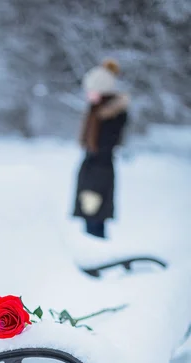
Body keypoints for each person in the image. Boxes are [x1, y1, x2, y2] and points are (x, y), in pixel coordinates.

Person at [73, 59, 129, 239]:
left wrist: (95, 159)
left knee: (95, 214)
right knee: (89, 212)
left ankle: (97, 251)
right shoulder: (95, 110)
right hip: (92, 166)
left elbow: (109, 142)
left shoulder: (113, 113)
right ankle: (91, 247)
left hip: (100, 167)